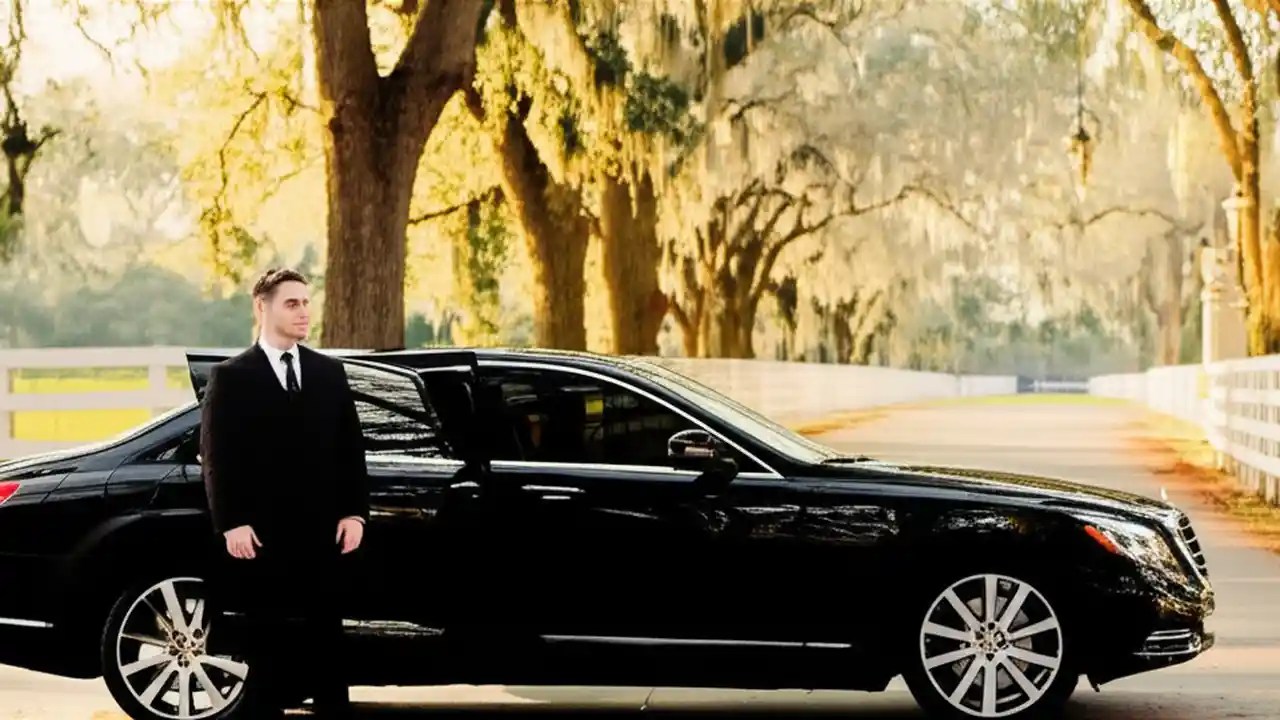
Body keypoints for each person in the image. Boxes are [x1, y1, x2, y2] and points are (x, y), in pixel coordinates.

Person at [199, 267, 369, 719]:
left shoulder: (328, 372)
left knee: (327, 644)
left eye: (306, 302)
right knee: (267, 646)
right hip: (261, 537)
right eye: (292, 303)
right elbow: (217, 457)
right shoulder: (231, 377)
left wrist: (354, 513)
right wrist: (231, 522)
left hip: (324, 536)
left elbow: (350, 449)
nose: (303, 312)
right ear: (262, 307)